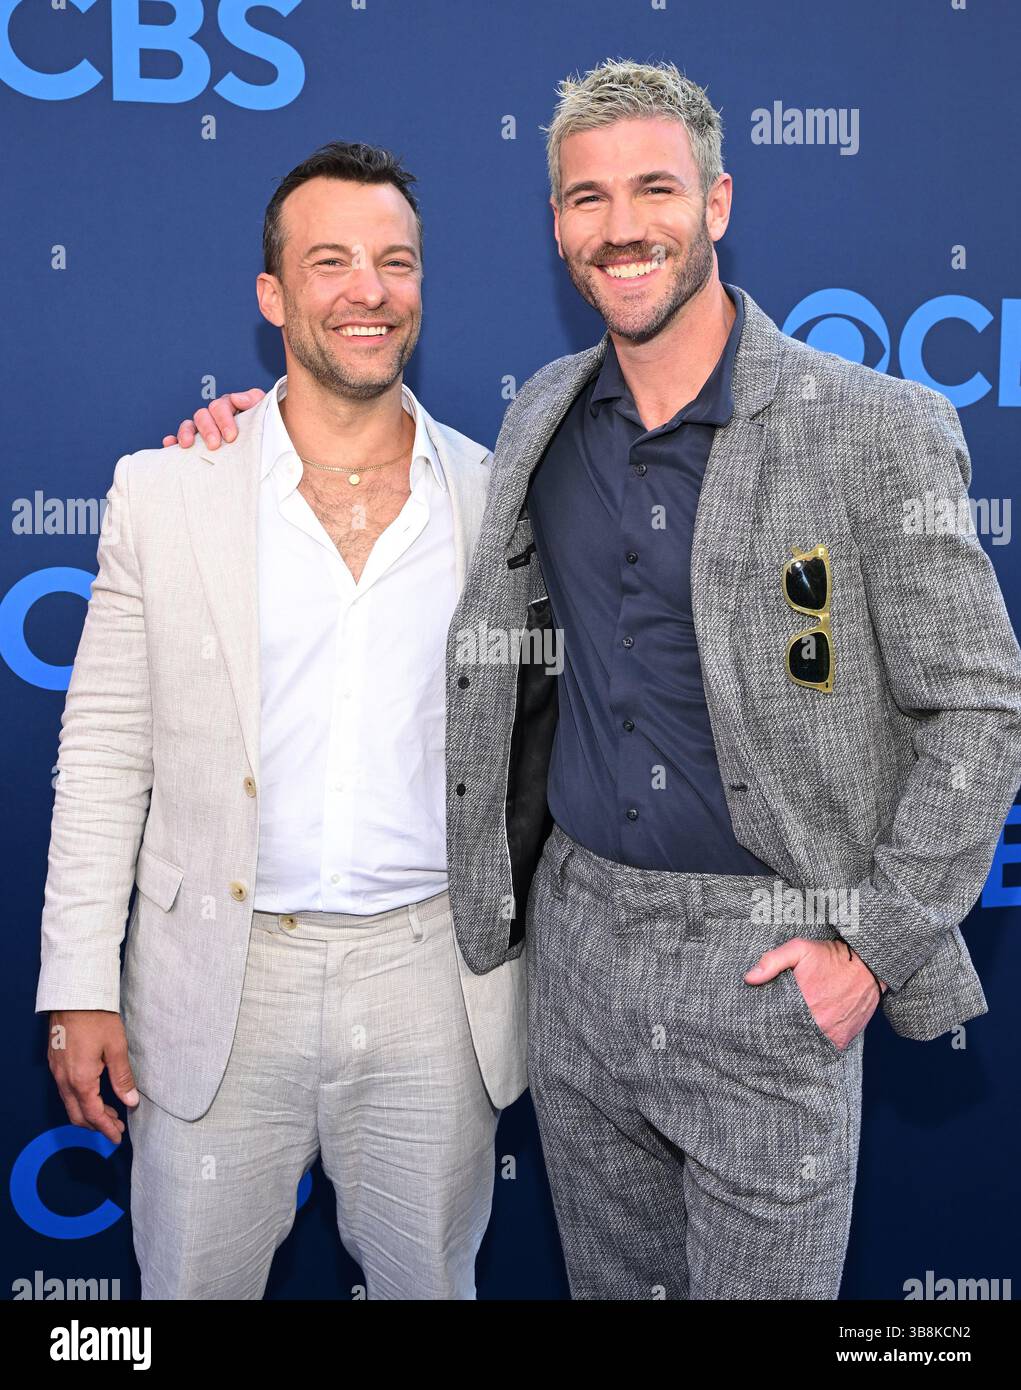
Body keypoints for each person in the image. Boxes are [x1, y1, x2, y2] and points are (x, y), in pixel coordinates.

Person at [183, 60, 1021, 1301]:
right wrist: (245, 436)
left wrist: (873, 943)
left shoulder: (871, 424)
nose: (619, 226)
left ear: (718, 203)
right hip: (574, 958)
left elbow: (979, 704)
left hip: (770, 963)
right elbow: (369, 443)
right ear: (557, 227)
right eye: (584, 198)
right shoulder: (541, 422)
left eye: (653, 189)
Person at [36, 140, 526, 1300]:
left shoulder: (494, 492)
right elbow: (103, 756)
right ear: (273, 296)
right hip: (217, 982)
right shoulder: (165, 493)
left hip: (430, 987)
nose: (368, 289)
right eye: (331, 262)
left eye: (394, 262)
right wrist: (78, 984)